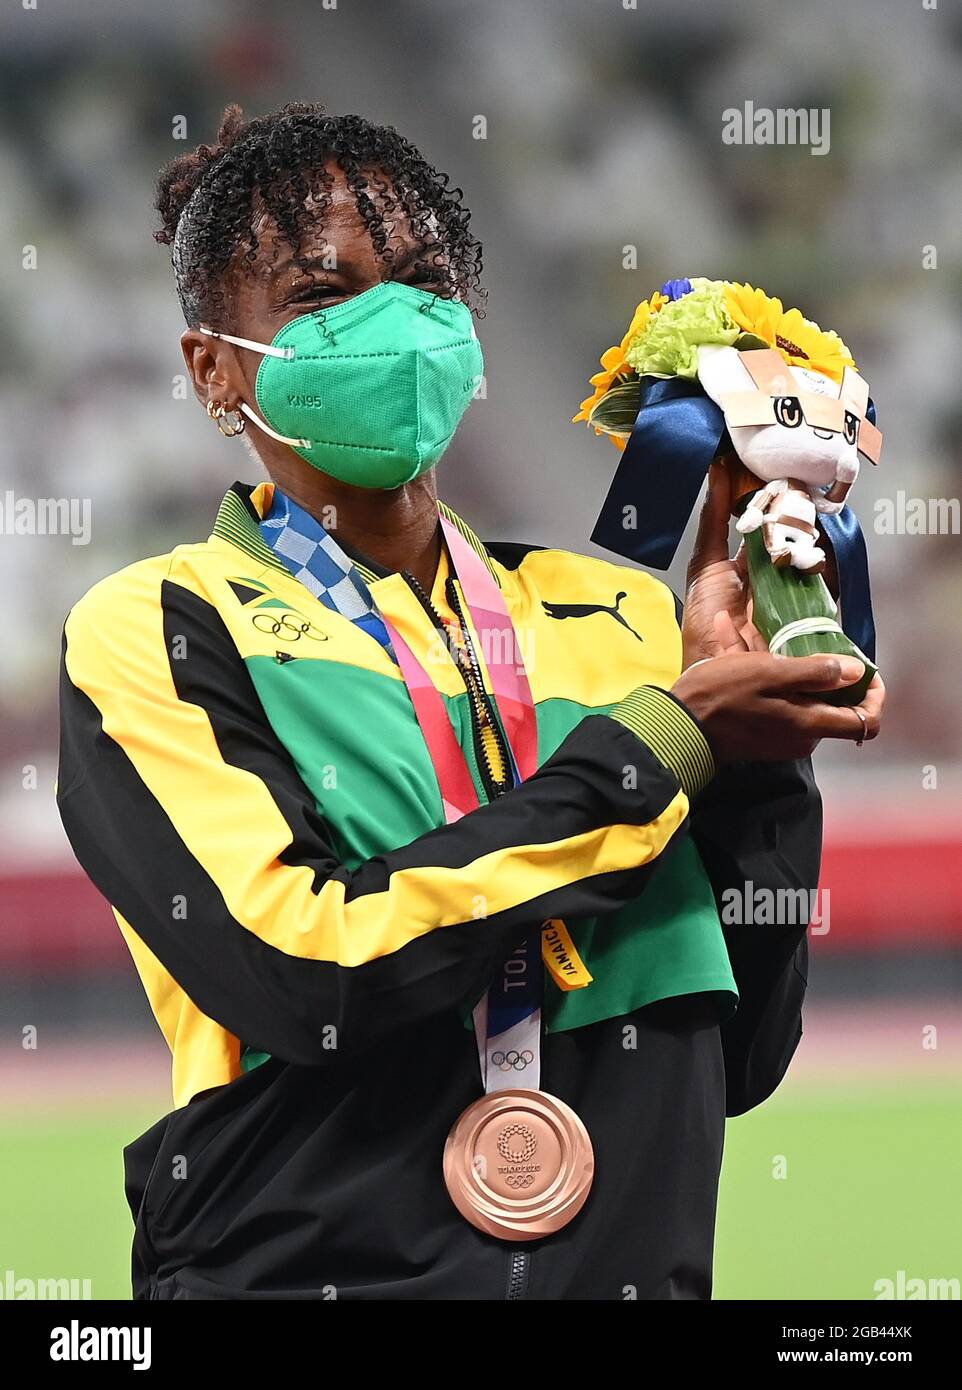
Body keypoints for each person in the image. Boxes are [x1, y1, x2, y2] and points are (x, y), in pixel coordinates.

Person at [57, 102, 884, 1301]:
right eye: (319, 297)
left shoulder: (615, 617)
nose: (391, 326)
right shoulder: (161, 627)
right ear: (213, 368)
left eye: (425, 281)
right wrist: (666, 743)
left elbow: (743, 1049)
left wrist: (757, 757)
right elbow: (308, 966)